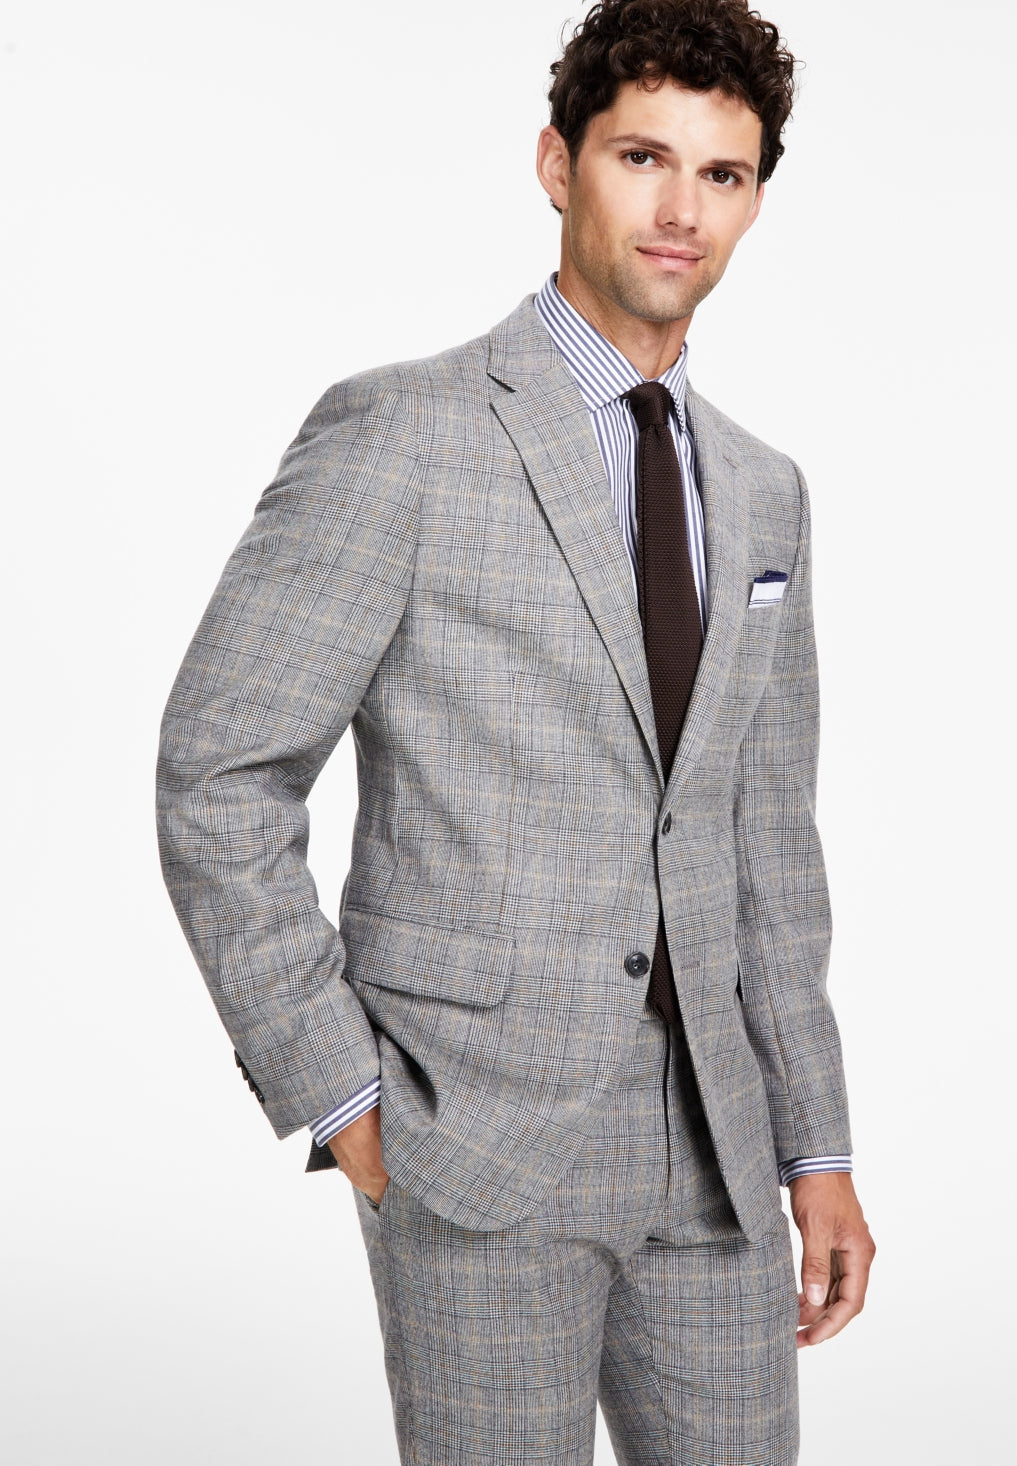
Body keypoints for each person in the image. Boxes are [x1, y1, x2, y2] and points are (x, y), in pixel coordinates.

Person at [155, 1, 876, 1459]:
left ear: (753, 202)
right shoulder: (403, 435)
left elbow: (767, 848)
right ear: (558, 164)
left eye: (723, 174)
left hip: (719, 1156)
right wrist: (343, 1093)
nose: (680, 210)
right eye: (641, 157)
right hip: (473, 1141)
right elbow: (219, 773)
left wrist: (818, 1146)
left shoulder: (765, 490)